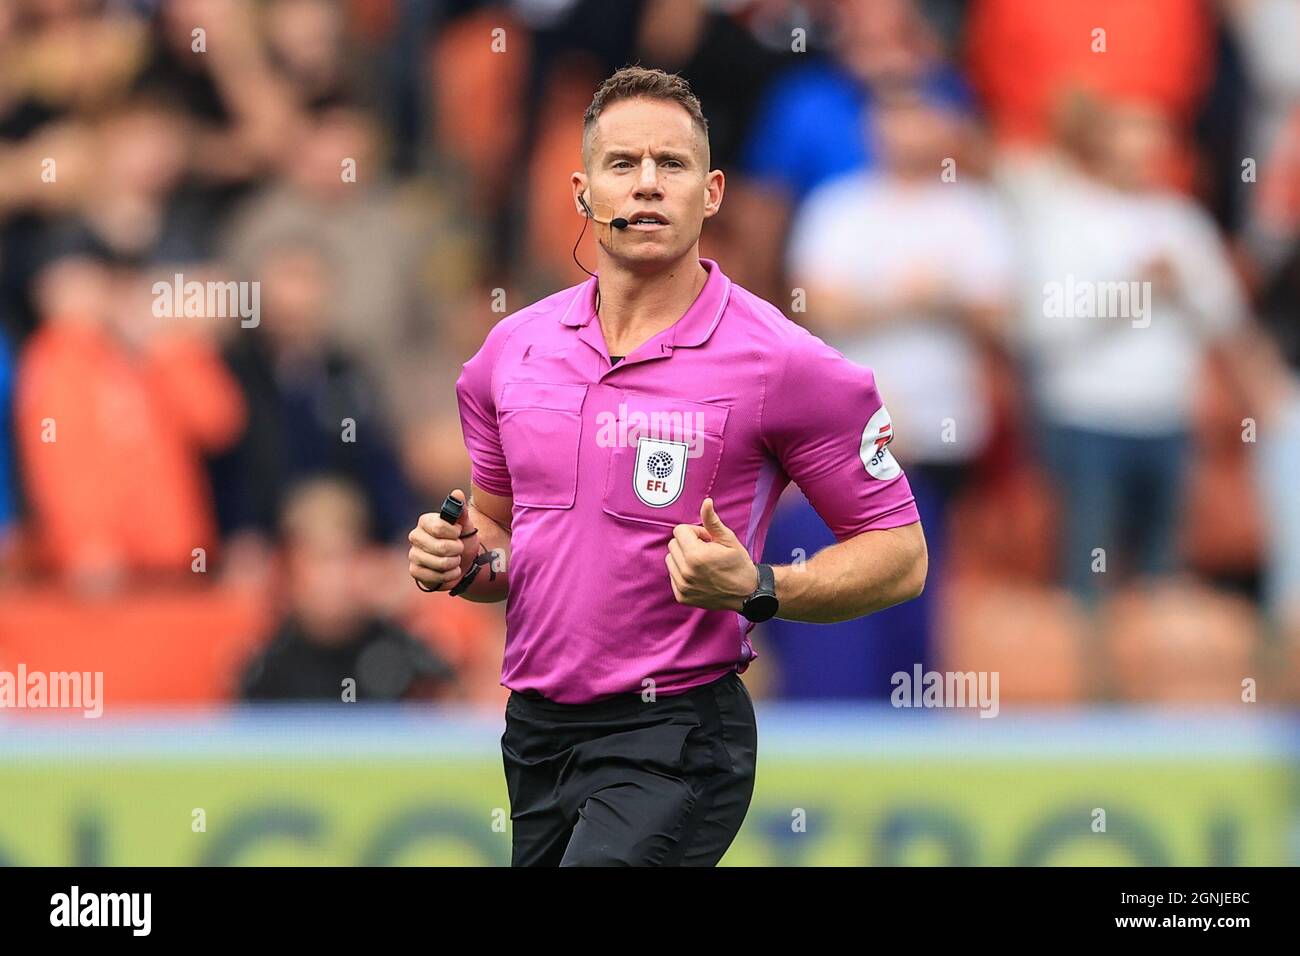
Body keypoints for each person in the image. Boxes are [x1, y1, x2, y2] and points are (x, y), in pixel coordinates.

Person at [406, 67, 927, 867]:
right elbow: (504, 552)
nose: (647, 184)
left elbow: (900, 556)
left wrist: (759, 586)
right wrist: (458, 560)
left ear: (711, 191)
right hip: (537, 733)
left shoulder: (787, 365)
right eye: (622, 165)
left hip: (677, 732)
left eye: (671, 165)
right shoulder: (508, 356)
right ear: (582, 191)